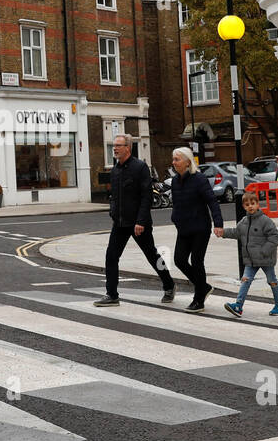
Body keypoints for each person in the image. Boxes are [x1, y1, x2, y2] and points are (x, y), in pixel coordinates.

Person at [95, 134, 175, 307]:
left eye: (118, 145)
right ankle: (112, 295)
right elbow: (114, 197)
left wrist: (141, 221)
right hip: (120, 223)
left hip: (139, 223)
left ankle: (169, 285)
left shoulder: (140, 167)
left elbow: (146, 197)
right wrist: (113, 212)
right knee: (111, 256)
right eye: (113, 145)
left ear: (128, 148)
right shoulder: (115, 170)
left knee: (152, 255)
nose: (114, 148)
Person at [168, 146, 224, 312]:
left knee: (197, 262)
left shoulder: (199, 179)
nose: (173, 162)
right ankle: (204, 286)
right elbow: (176, 203)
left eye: (177, 159)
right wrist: (175, 218)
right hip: (184, 228)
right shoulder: (175, 181)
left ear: (187, 162)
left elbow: (212, 201)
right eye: (173, 159)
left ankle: (199, 299)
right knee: (179, 260)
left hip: (200, 227)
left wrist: (218, 224)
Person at [223, 190, 278, 317]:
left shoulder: (265, 220)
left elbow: (275, 237)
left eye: (253, 203)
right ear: (244, 207)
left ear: (258, 204)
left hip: (265, 258)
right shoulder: (244, 221)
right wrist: (223, 233)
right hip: (251, 261)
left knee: (272, 280)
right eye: (247, 204)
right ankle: (238, 306)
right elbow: (236, 232)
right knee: (245, 280)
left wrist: (264, 251)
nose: (250, 206)